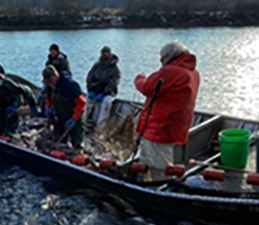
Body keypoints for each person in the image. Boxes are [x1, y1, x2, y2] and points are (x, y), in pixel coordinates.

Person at [131, 40, 200, 168]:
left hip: (159, 127)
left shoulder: (170, 72)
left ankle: (159, 186)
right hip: (176, 125)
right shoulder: (193, 73)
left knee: (158, 166)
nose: (161, 62)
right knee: (158, 158)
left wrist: (139, 79)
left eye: (162, 58)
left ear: (169, 56)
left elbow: (147, 88)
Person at [41, 65, 85, 149]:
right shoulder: (50, 86)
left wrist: (74, 118)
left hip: (74, 116)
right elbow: (48, 98)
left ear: (55, 76)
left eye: (50, 80)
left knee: (77, 142)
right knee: (59, 141)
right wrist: (48, 108)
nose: (50, 83)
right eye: (48, 82)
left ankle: (78, 153)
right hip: (61, 116)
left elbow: (81, 103)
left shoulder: (69, 86)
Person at [85, 46, 121, 128]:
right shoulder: (97, 66)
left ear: (110, 55)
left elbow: (113, 83)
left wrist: (104, 93)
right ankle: (86, 121)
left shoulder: (115, 70)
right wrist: (90, 89)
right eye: (102, 54)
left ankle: (100, 127)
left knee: (106, 104)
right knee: (87, 101)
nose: (104, 55)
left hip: (108, 93)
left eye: (106, 54)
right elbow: (89, 78)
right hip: (95, 91)